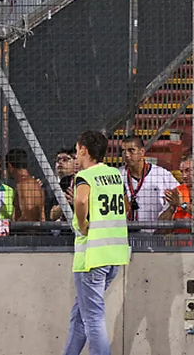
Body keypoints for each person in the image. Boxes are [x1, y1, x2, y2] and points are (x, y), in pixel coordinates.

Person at [62, 130, 129, 355]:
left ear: (83, 149)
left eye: (77, 149)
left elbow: (81, 200)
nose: (76, 154)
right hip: (114, 256)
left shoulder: (86, 176)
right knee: (80, 315)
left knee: (92, 318)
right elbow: (126, 206)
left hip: (91, 257)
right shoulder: (115, 175)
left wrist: (82, 223)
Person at [118, 136, 180, 230]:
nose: (126, 154)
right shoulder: (117, 175)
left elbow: (181, 195)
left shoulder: (161, 174)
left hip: (153, 234)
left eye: (131, 150)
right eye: (123, 151)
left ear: (142, 151)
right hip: (125, 234)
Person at [5, 148, 45, 222]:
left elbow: (30, 213)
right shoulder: (29, 183)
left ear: (10, 166)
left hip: (27, 232)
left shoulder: (25, 184)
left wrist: (15, 228)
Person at [49, 147, 78, 221]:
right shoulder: (62, 183)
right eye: (58, 160)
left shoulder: (87, 181)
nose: (60, 162)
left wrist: (76, 202)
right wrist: (64, 203)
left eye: (65, 159)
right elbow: (52, 215)